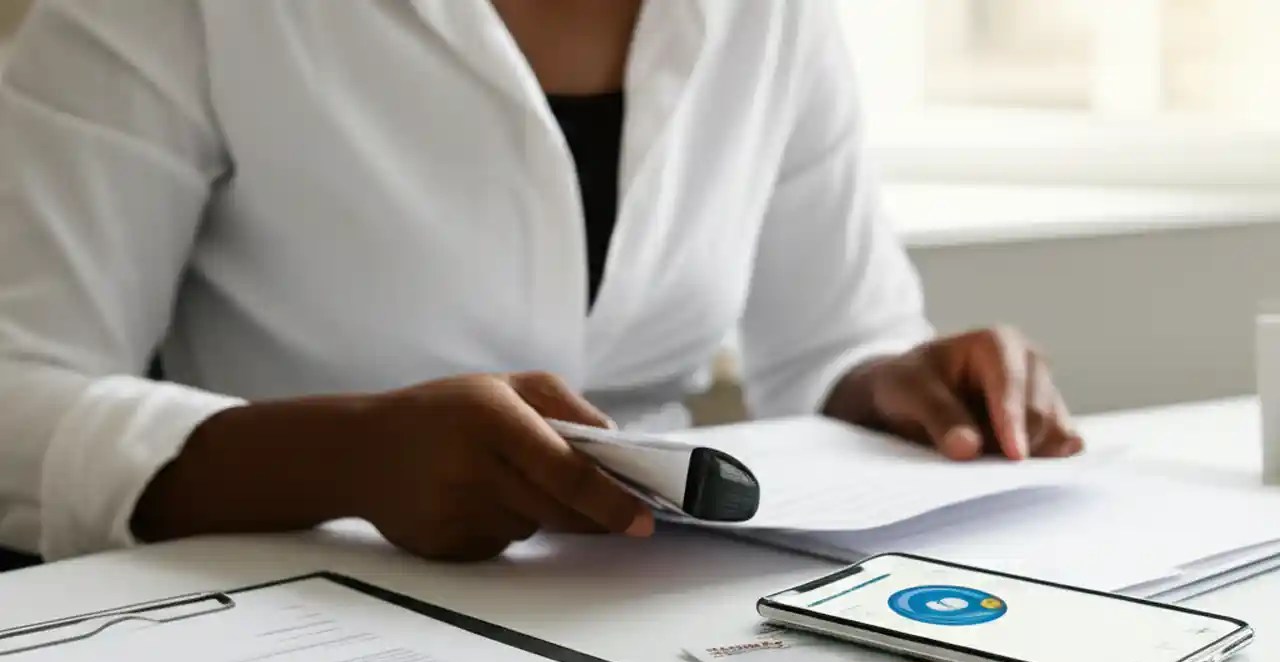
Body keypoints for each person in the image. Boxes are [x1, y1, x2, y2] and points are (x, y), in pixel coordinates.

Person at [0, 0, 1082, 567]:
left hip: (656, 605)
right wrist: (343, 457)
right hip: (300, 613)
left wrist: (906, 379)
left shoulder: (772, 10)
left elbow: (830, 342)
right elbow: (17, 388)